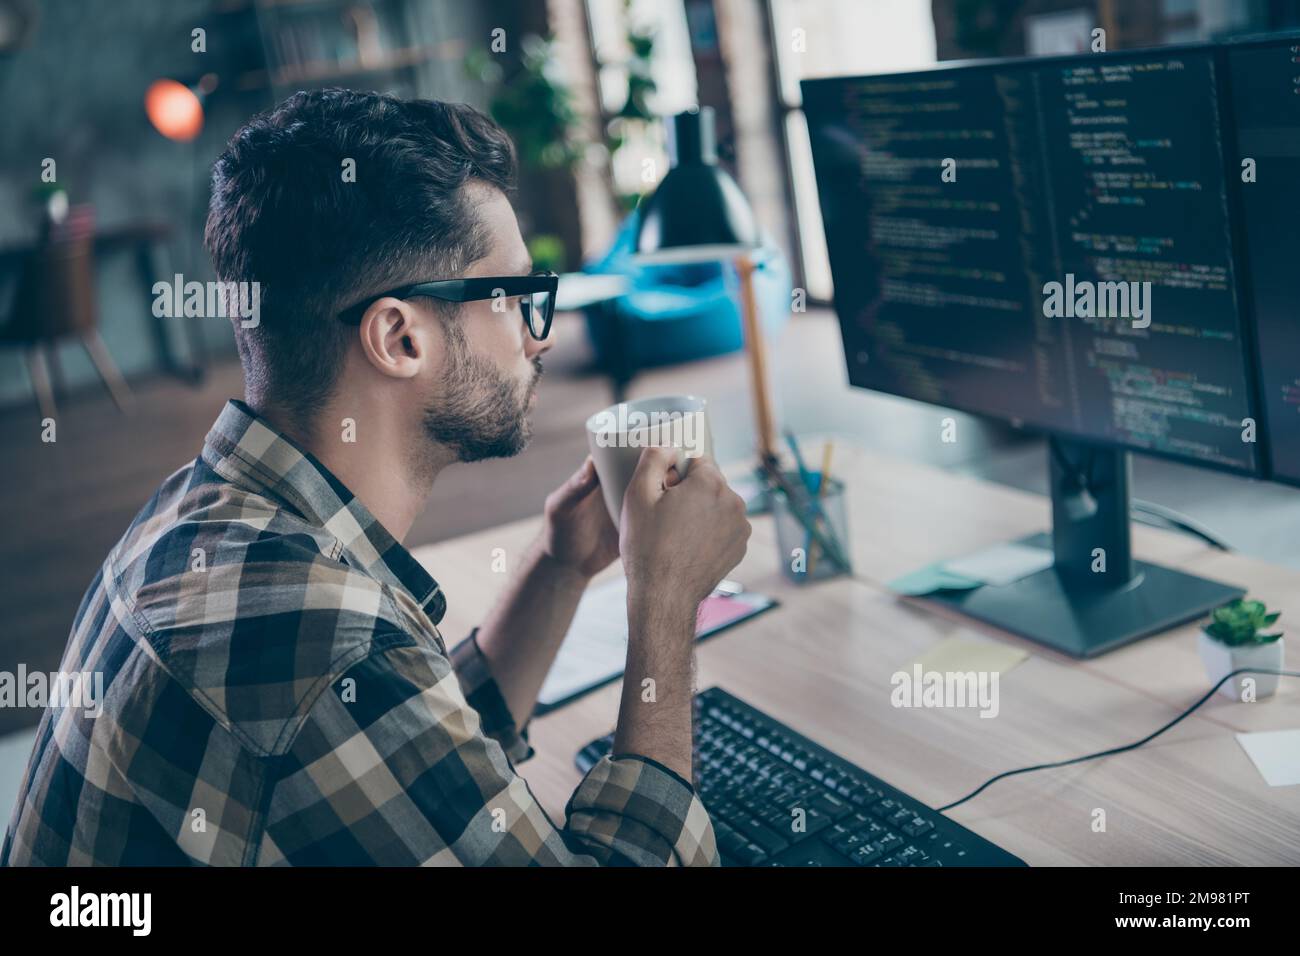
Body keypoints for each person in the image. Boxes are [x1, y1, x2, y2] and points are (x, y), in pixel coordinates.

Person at [2, 89, 750, 866]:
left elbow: (408, 757)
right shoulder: (327, 647)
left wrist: (561, 566)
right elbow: (352, 692)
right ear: (398, 337)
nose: (542, 338)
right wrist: (665, 601)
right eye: (517, 297)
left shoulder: (191, 513)